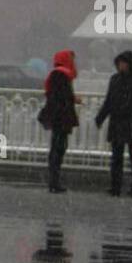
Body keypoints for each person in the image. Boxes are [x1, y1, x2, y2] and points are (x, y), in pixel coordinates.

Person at [94, 50, 132, 197]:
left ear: (130, 64)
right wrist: (100, 117)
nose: (121, 66)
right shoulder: (115, 80)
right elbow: (109, 101)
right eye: (119, 63)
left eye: (123, 63)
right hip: (119, 123)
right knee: (117, 158)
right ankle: (115, 186)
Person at [43, 49, 81, 193]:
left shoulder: (57, 74)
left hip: (58, 117)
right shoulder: (61, 74)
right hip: (61, 117)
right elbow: (62, 95)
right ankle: (54, 182)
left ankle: (54, 181)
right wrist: (72, 99)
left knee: (57, 147)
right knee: (58, 149)